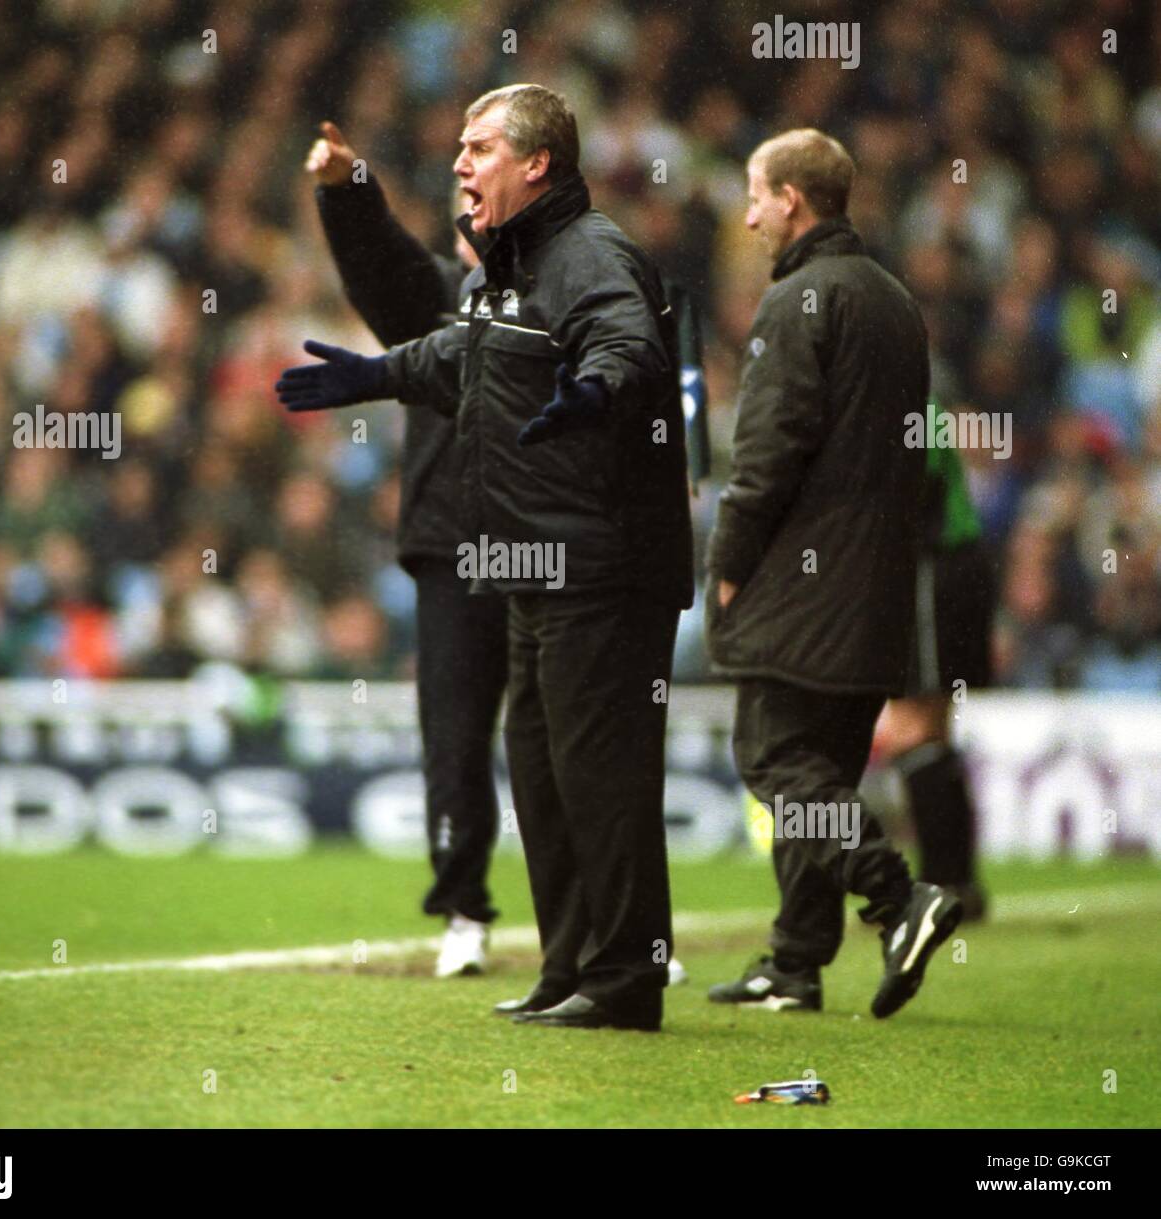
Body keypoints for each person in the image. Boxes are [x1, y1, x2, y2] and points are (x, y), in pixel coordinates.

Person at [278, 84, 694, 1031]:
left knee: (601, 777)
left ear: (535, 161)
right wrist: (373, 375)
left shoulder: (588, 253)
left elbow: (627, 343)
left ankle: (625, 977)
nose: (458, 163)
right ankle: (569, 967)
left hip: (599, 565)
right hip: (532, 571)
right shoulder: (507, 273)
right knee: (543, 776)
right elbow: (452, 356)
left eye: (478, 147)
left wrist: (598, 389)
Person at [703, 128, 962, 1019]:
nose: (746, 215)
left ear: (793, 200)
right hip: (879, 590)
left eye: (755, 194)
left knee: (772, 758)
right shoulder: (895, 302)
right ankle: (795, 960)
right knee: (819, 773)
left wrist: (730, 562)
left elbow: (766, 455)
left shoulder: (797, 300)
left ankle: (898, 895)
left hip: (804, 587)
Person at [307, 121, 506, 978]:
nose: (470, 210)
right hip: (454, 549)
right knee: (455, 736)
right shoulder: (440, 301)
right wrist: (349, 192)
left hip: (557, 548)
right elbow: (386, 267)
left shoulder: (574, 298)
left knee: (567, 737)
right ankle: (464, 908)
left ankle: (606, 914)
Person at [875, 436, 995, 921]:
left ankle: (939, 888)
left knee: (910, 728)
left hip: (931, 571)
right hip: (953, 567)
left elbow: (911, 492)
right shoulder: (919, 397)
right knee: (936, 729)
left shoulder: (905, 402)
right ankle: (959, 885)